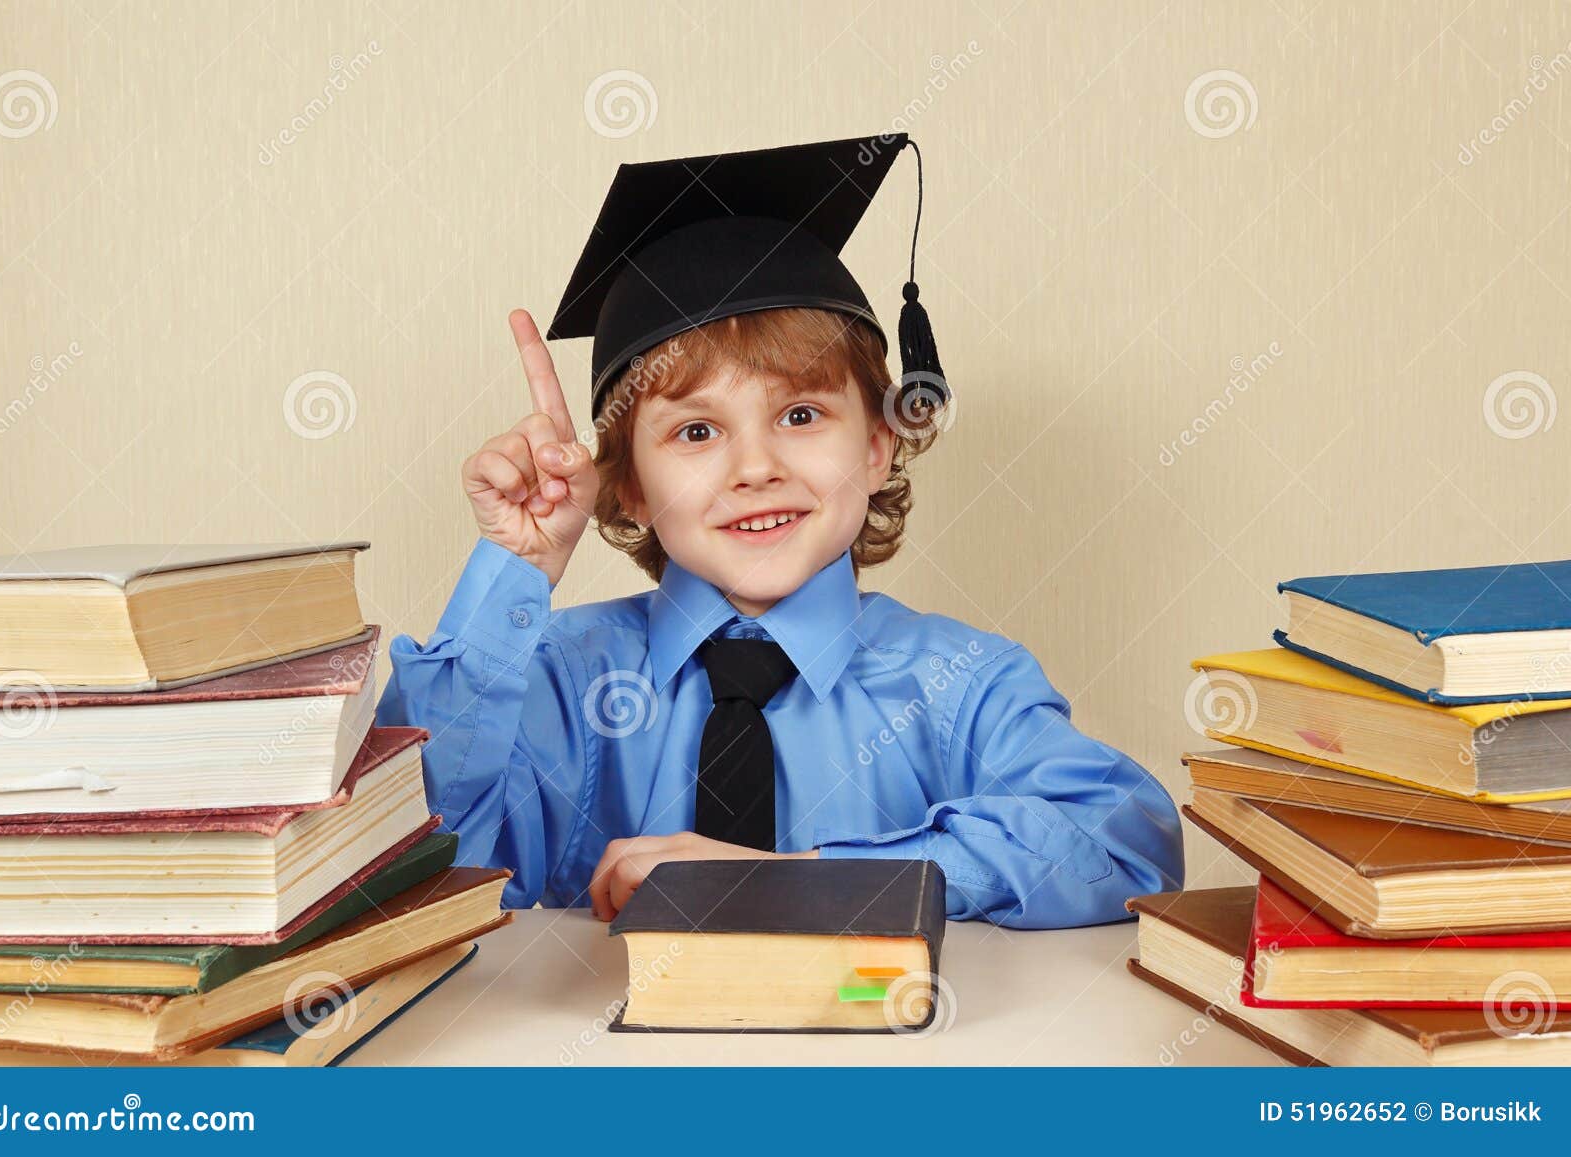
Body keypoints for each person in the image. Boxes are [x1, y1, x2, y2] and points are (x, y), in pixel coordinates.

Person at [374, 133, 1184, 927]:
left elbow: (1124, 841)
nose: (754, 467)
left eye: (801, 414)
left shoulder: (957, 685)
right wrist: (515, 568)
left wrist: (803, 883)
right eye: (696, 432)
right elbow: (403, 862)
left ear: (876, 445)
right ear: (627, 483)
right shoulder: (558, 682)